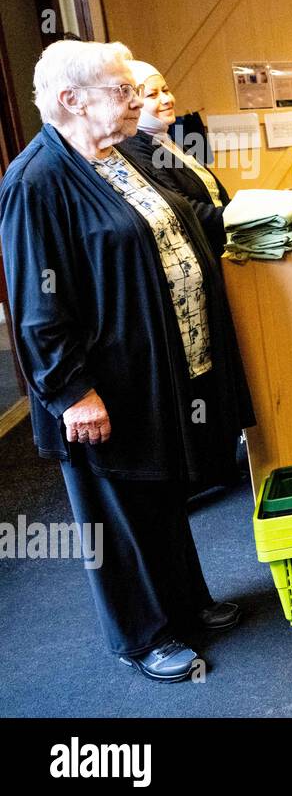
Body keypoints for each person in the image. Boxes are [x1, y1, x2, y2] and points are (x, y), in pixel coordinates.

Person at [0, 40, 254, 682]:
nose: (137, 99)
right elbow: (36, 302)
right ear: (71, 100)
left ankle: (187, 606)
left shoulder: (116, 155)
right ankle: (144, 635)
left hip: (156, 367)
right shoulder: (36, 181)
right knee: (114, 512)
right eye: (122, 90)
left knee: (161, 493)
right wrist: (71, 392)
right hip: (100, 385)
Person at [116, 59, 230, 256]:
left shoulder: (168, 139)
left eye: (166, 90)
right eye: (153, 94)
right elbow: (180, 206)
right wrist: (240, 215)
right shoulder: (133, 146)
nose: (167, 99)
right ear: (133, 104)